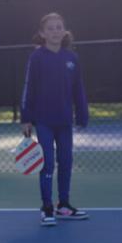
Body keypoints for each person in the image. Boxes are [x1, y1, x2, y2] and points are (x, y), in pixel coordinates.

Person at [20, 13, 90, 226]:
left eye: (59, 27)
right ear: (42, 34)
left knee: (66, 161)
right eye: (50, 28)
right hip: (43, 121)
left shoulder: (72, 58)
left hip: (65, 121)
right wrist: (26, 118)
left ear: (65, 31)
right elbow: (28, 88)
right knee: (48, 163)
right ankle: (47, 207)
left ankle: (64, 205)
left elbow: (78, 89)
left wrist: (82, 113)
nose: (55, 31)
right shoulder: (36, 58)